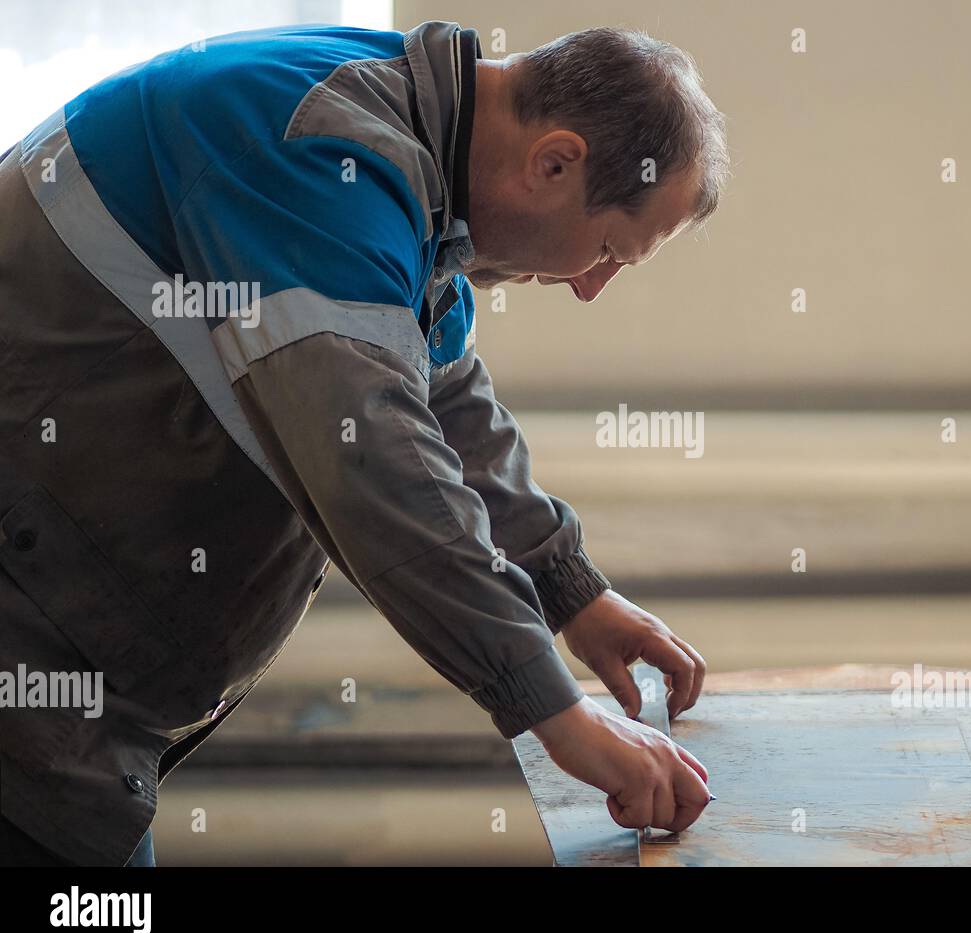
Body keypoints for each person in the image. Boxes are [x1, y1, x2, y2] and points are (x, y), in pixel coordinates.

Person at [0, 19, 728, 865]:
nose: (590, 288)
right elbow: (371, 457)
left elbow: (445, 403)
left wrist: (572, 591)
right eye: (607, 251)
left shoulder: (409, 153)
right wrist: (555, 713)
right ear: (554, 162)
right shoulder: (315, 148)